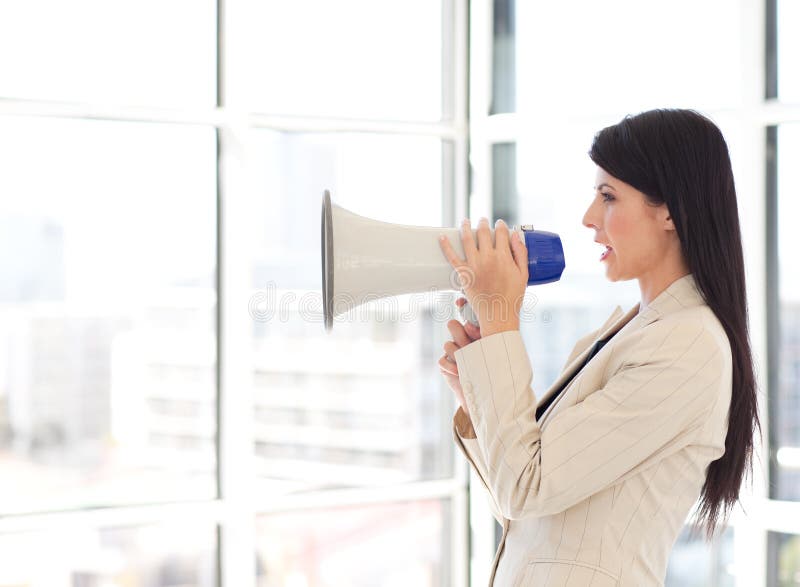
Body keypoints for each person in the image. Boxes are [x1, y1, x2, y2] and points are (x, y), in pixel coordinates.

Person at [437, 108, 760, 586]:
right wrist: (478, 394)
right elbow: (529, 512)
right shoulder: (627, 333)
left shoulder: (689, 346)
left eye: (608, 196)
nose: (589, 218)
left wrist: (501, 319)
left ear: (670, 209)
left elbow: (526, 488)